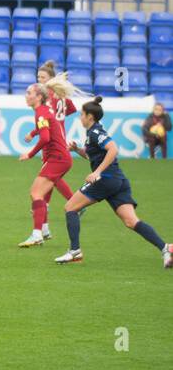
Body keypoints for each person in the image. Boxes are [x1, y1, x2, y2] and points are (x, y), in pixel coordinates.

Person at [54, 97, 173, 268]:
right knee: (131, 221)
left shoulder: (95, 133)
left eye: (82, 114)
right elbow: (94, 156)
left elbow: (113, 149)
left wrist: (97, 172)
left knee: (70, 208)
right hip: (118, 180)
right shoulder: (93, 133)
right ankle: (166, 248)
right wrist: (77, 150)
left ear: (90, 117)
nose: (80, 117)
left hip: (106, 180)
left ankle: (75, 251)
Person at [17, 73, 82, 248]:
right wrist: (33, 133)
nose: (26, 95)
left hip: (57, 158)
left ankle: (38, 233)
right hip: (60, 158)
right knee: (40, 194)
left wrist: (29, 154)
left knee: (36, 193)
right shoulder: (43, 111)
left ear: (39, 97)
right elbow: (45, 131)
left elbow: (45, 138)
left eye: (29, 93)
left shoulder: (41, 112)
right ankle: (43, 231)